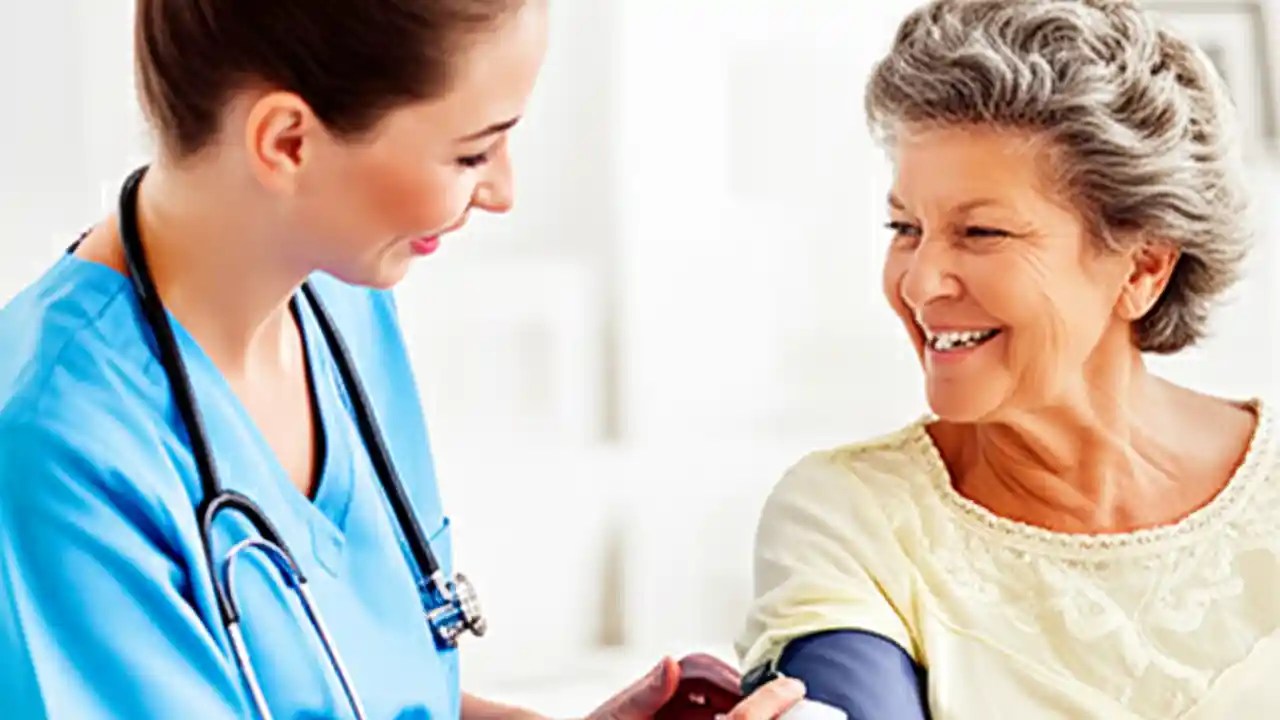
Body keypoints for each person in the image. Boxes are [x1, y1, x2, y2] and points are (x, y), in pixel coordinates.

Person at [0, 1, 807, 718]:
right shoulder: (54, 450)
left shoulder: (341, 299)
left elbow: (341, 683)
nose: (503, 191)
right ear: (287, 141)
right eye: (470, 154)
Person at [735, 0, 1278, 717]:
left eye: (982, 232)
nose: (921, 282)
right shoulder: (854, 516)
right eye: (905, 227)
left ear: (1144, 267)